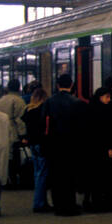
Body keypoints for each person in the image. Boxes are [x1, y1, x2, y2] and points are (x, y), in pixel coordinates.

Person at [44, 74, 86, 216]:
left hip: (54, 145)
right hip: (72, 145)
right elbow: (82, 127)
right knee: (70, 176)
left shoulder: (49, 102)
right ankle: (70, 205)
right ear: (72, 85)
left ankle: (58, 206)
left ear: (57, 85)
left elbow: (44, 123)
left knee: (56, 176)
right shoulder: (78, 103)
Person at [84, 87, 112, 210]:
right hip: (101, 149)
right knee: (102, 175)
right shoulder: (101, 112)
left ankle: (96, 200)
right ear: (100, 97)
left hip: (94, 149)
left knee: (97, 176)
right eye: (106, 97)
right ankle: (100, 202)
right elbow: (102, 132)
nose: (109, 100)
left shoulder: (92, 109)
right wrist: (109, 148)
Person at [22, 85, 50, 212]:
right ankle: (39, 203)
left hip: (32, 144)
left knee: (37, 173)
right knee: (42, 174)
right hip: (42, 144)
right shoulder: (43, 110)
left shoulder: (28, 110)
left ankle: (40, 201)